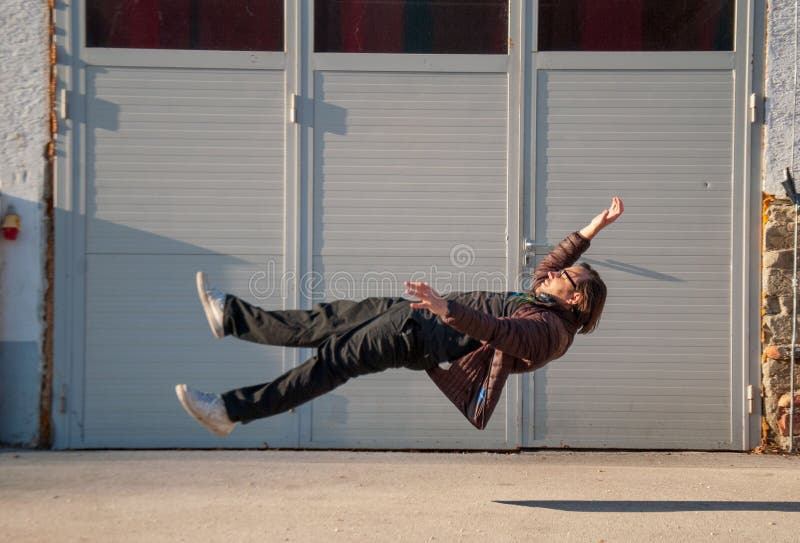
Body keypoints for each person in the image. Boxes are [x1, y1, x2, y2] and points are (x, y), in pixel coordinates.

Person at [175, 197, 624, 436]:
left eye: (565, 276)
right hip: (416, 316)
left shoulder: (547, 332)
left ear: (575, 300)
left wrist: (448, 309)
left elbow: (499, 330)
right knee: (324, 320)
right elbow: (552, 263)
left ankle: (230, 411)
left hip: (421, 336)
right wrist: (592, 229)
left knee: (334, 358)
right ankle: (231, 317)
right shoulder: (549, 302)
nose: (550, 274)